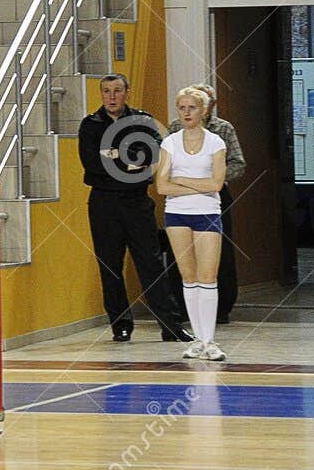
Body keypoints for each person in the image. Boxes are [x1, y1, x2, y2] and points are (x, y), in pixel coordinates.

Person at [77, 74, 191, 343]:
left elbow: (153, 154)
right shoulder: (91, 124)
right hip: (103, 203)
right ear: (101, 94)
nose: (112, 96)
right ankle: (121, 325)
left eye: (117, 90)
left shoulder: (142, 120)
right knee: (110, 265)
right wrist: (127, 161)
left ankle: (171, 325)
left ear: (127, 92)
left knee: (151, 263)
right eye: (106, 91)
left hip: (137, 201)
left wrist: (114, 156)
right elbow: (93, 164)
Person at [156, 85, 229, 361]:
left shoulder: (216, 143)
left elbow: (216, 184)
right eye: (182, 108)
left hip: (207, 213)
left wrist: (182, 180)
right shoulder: (170, 143)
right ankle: (199, 340)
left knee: (207, 277)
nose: (186, 113)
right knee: (188, 277)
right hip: (176, 214)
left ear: (204, 110)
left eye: (192, 108)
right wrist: (199, 185)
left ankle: (210, 341)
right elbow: (162, 186)